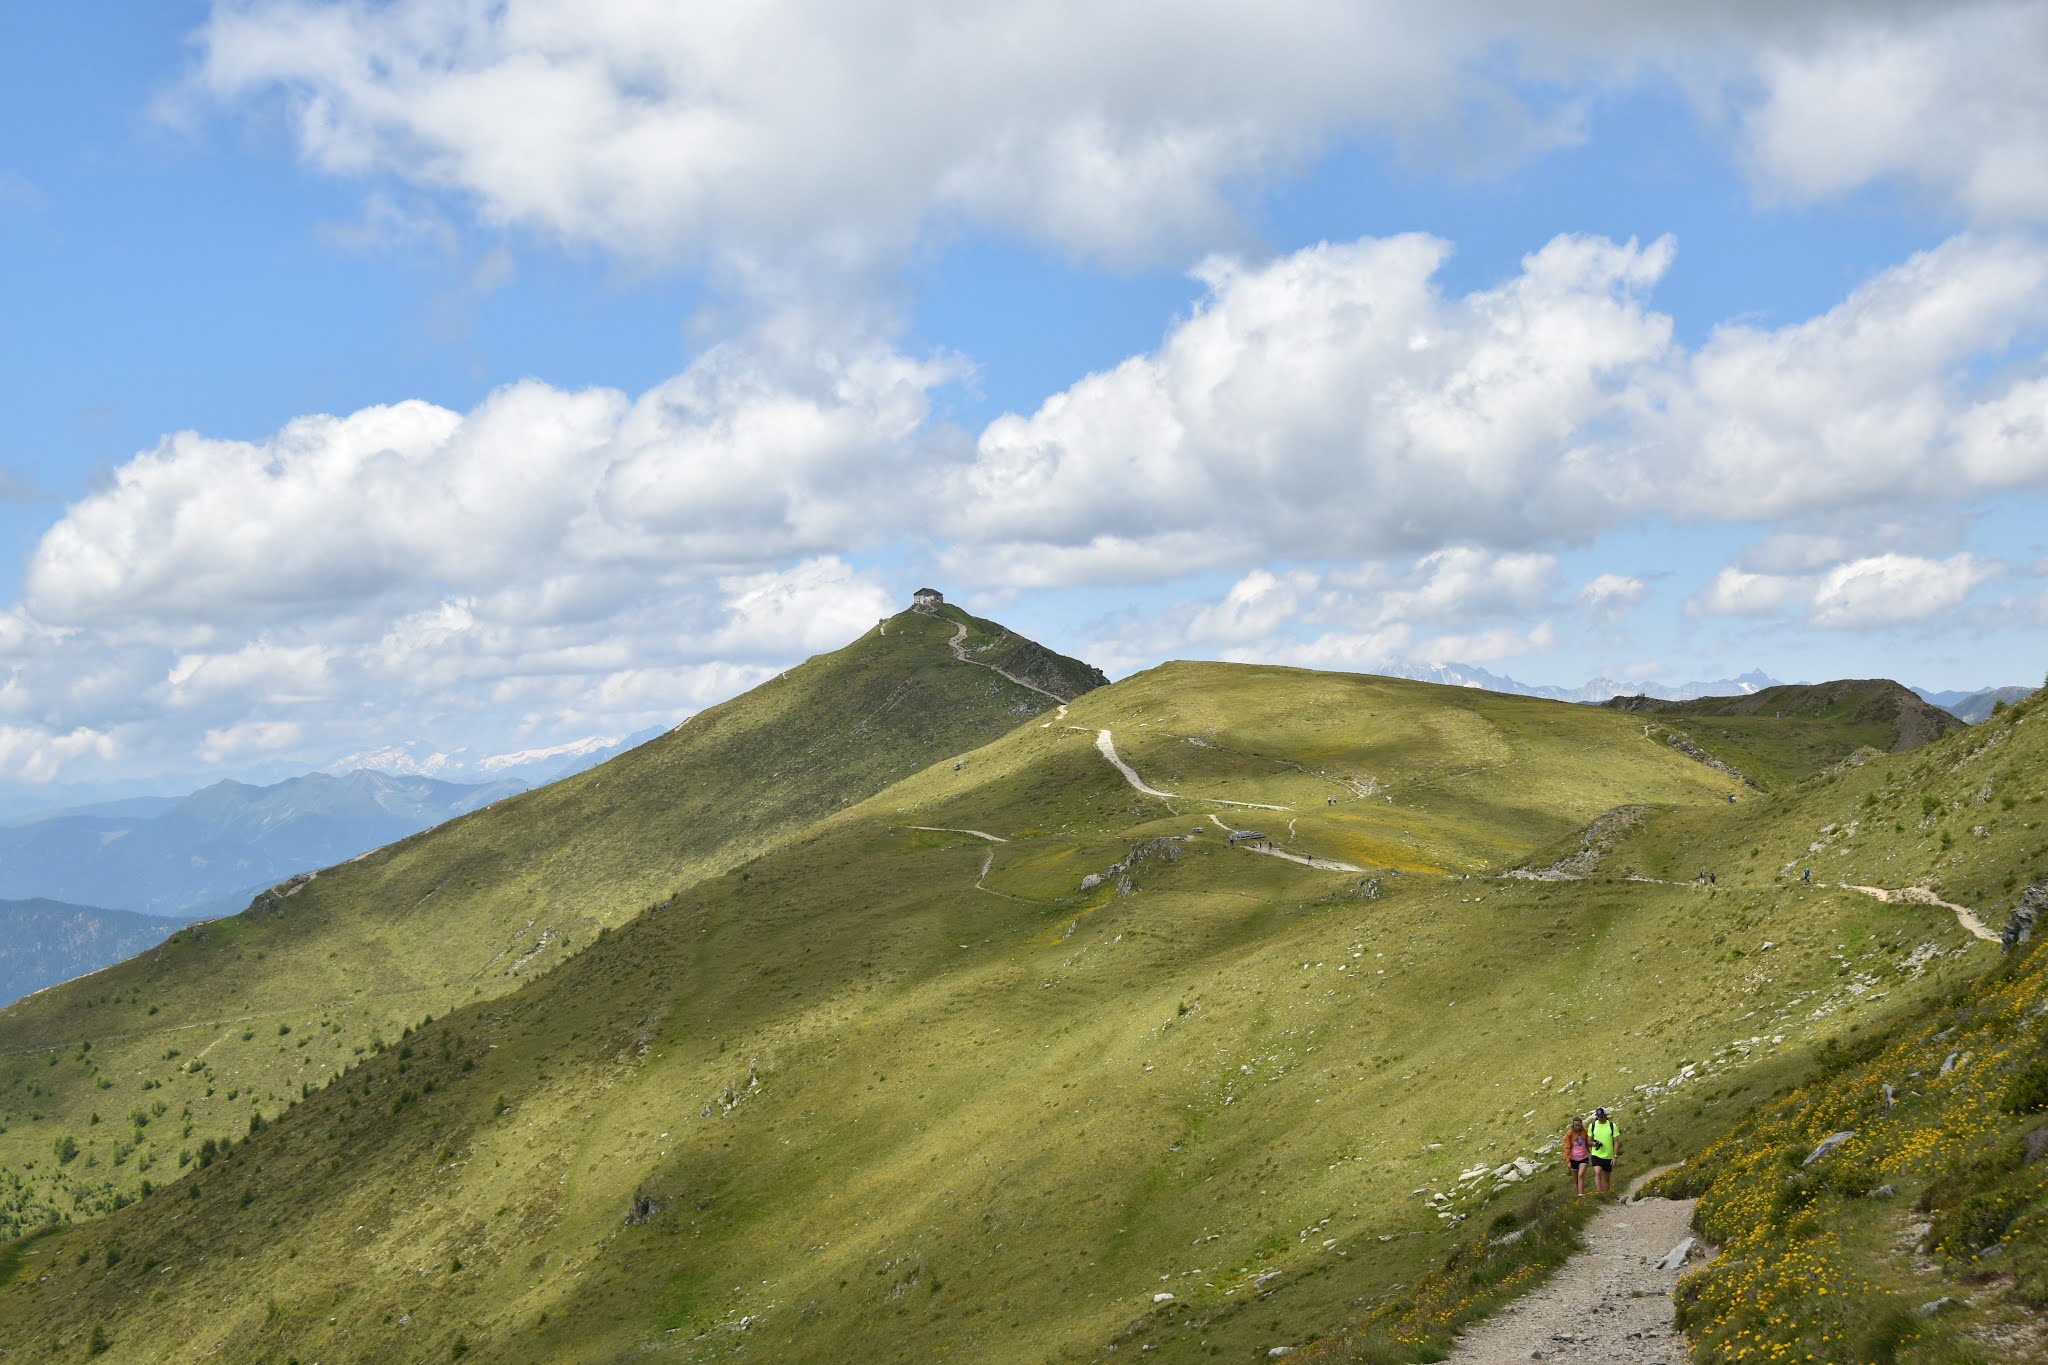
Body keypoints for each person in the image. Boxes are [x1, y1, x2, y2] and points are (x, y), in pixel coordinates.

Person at [1587, 1106, 1620, 1195]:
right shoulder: (1592, 1126)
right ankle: (1599, 1194)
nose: (1600, 1118)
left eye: (1601, 1116)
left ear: (1605, 1115)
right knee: (1597, 1172)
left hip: (1608, 1156)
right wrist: (1595, 1143)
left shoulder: (1612, 1126)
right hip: (1596, 1154)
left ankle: (1606, 1195)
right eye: (1598, 1116)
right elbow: (1588, 1141)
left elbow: (1616, 1142)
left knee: (1606, 1178)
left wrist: (1615, 1156)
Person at [1564, 1116, 1592, 1197]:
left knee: (1580, 1174)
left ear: (1581, 1124)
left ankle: (1581, 1194)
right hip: (1573, 1159)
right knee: (1576, 1181)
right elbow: (1566, 1147)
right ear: (1573, 1125)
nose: (1577, 1127)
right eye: (1575, 1125)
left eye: (1579, 1125)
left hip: (1584, 1157)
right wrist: (1568, 1161)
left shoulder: (1585, 1131)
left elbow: (1589, 1141)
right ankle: (1577, 1198)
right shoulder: (1569, 1134)